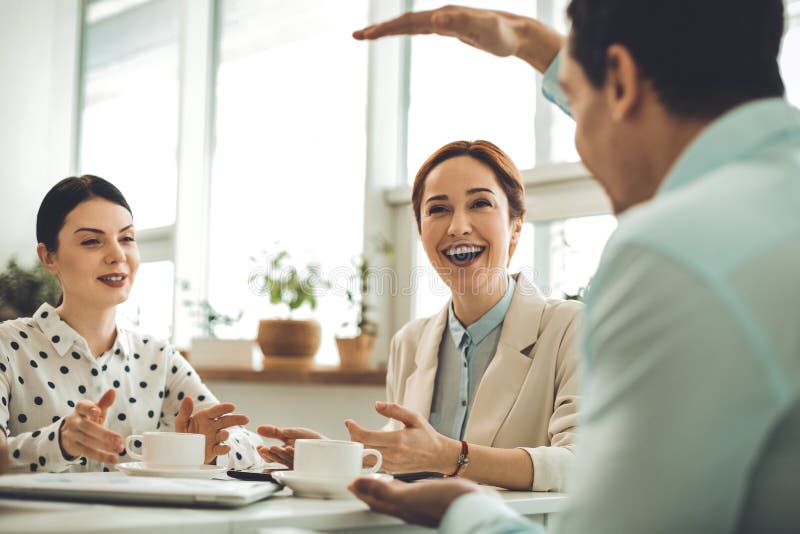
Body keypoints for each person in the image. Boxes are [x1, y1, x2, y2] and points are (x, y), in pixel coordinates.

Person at [347, 1, 800, 533]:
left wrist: (464, 511)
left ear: (622, 80)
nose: (583, 145)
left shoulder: (675, 253)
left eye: (578, 104)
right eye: (438, 208)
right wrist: (528, 41)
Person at [259, 140, 581, 491]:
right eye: (438, 209)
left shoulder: (570, 329)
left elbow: (580, 463)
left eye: (480, 203)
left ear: (516, 225)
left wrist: (450, 457)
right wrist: (331, 457)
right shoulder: (409, 342)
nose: (458, 226)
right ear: (421, 230)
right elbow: (403, 463)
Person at [0, 175, 264, 472]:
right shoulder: (7, 347)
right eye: (91, 241)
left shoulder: (158, 357)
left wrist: (211, 449)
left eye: (127, 238)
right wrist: (59, 442)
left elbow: (244, 443)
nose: (117, 255)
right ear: (48, 257)